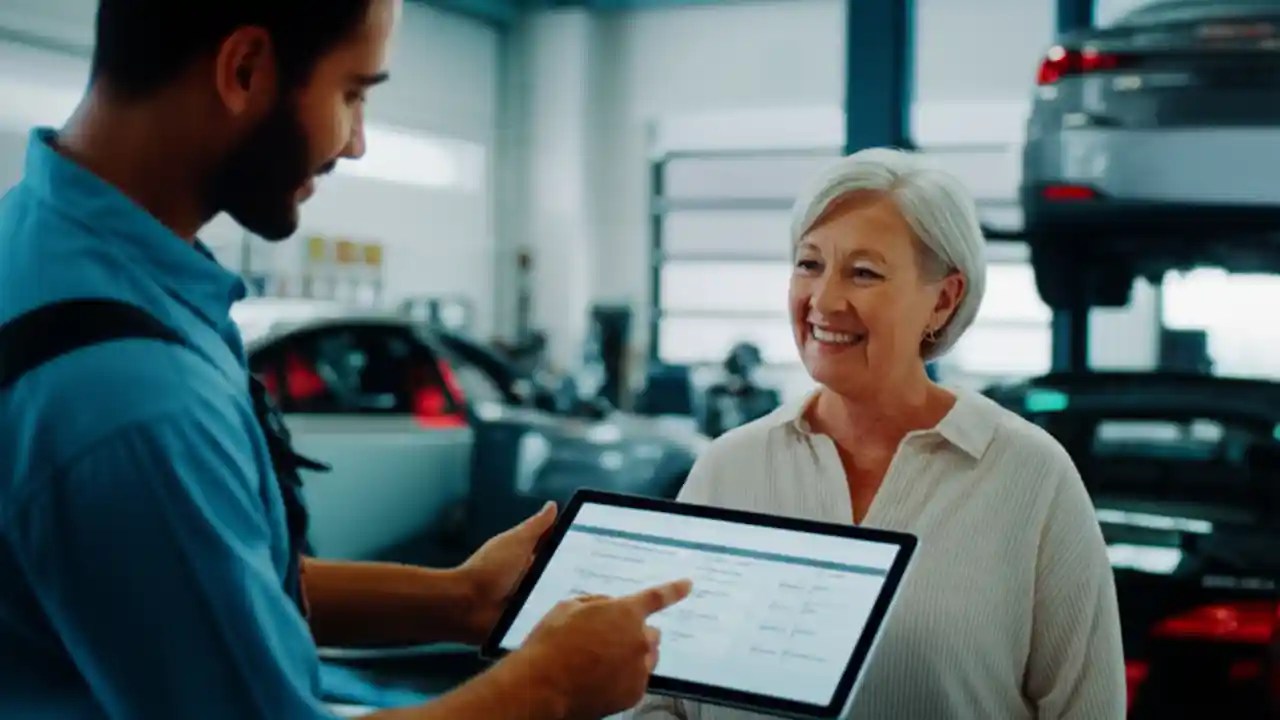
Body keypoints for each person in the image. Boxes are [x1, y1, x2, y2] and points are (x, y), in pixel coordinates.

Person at [0, 2, 690, 719]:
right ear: (244, 70)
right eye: (352, 94)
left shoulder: (48, 245)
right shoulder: (135, 398)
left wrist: (464, 599)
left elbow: (190, 580)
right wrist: (547, 687)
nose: (355, 143)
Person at [632, 148, 1126, 719]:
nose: (823, 300)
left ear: (943, 299)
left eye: (863, 272)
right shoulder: (730, 467)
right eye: (809, 263)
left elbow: (1087, 709)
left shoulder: (1028, 475)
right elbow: (658, 699)